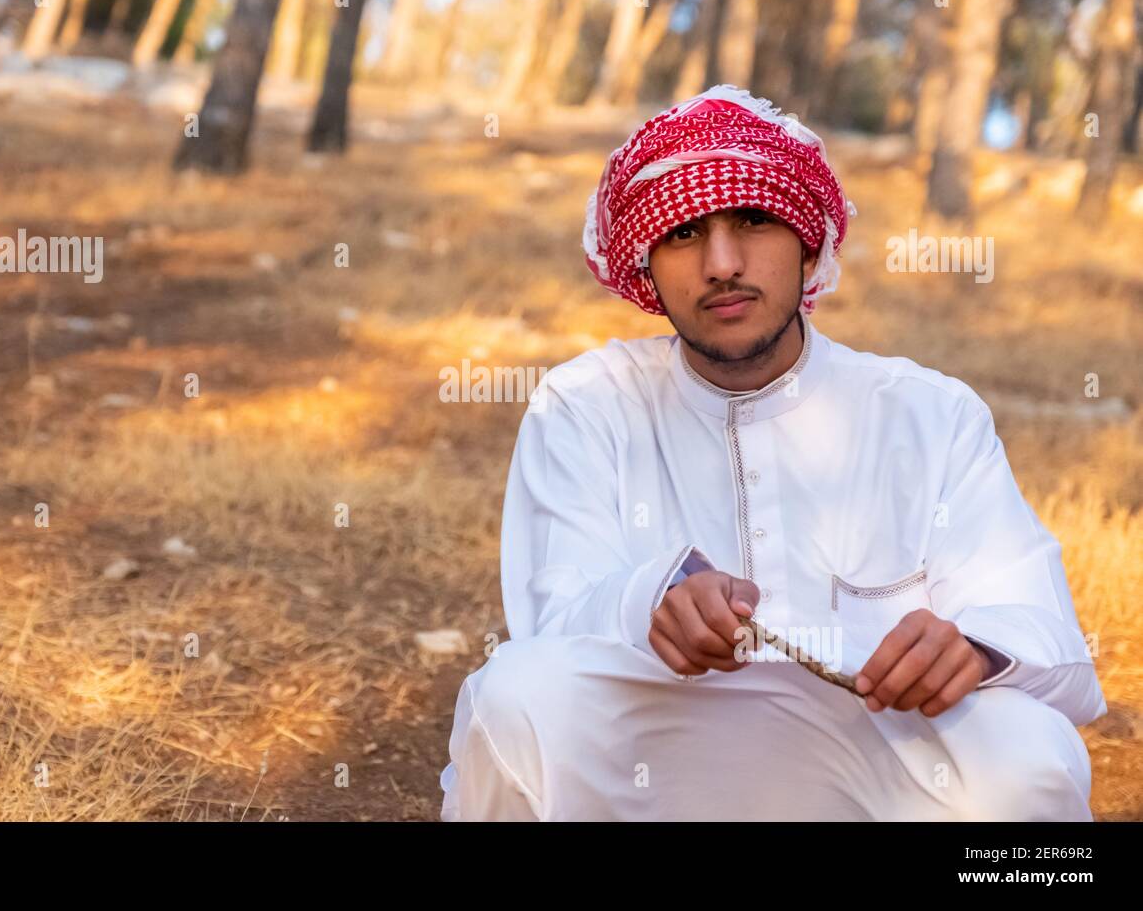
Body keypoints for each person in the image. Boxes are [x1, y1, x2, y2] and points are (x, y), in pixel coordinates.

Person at [437, 85, 1107, 821]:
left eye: (752, 220)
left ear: (809, 243)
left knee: (1033, 753)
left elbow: (1047, 638)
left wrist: (975, 651)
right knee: (515, 700)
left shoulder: (929, 414)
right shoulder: (587, 405)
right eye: (685, 234)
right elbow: (555, 616)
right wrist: (649, 603)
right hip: (662, 761)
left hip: (878, 765)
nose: (721, 264)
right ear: (648, 268)